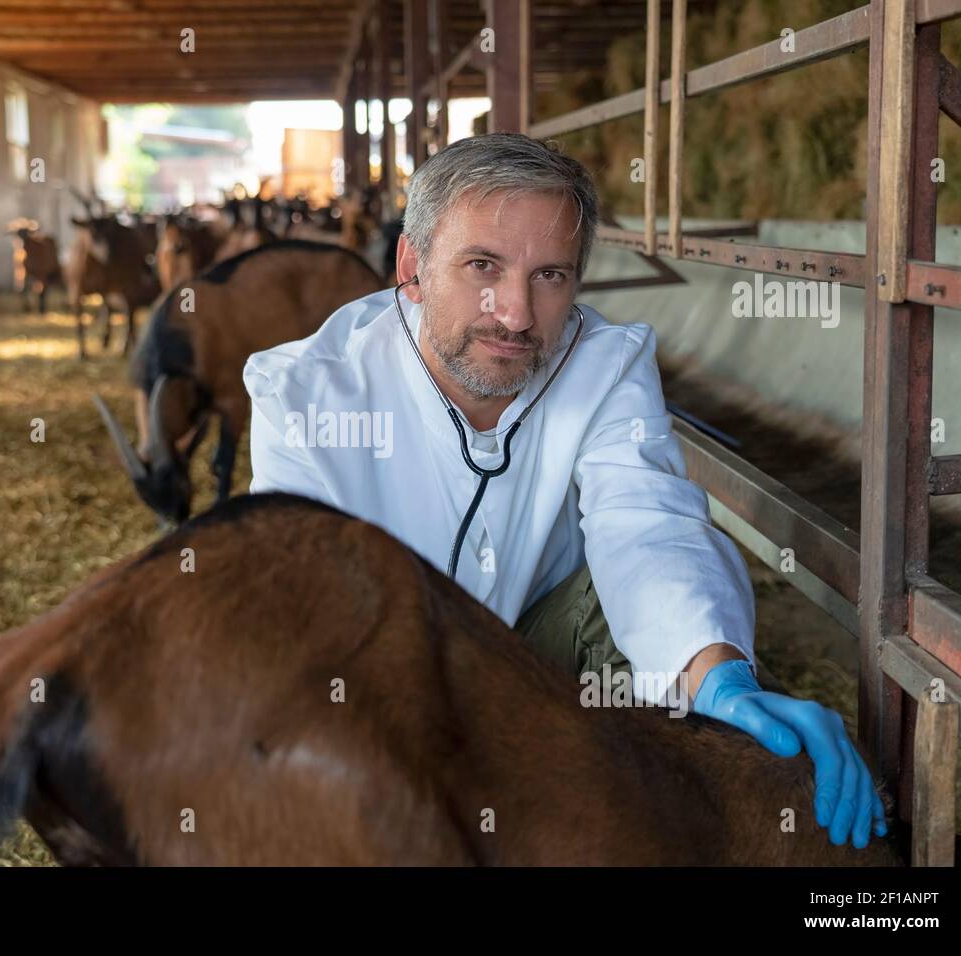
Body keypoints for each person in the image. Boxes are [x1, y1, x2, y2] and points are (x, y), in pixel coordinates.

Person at [243, 132, 886, 850]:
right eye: (483, 265)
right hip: (382, 682)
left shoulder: (604, 364)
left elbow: (645, 522)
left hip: (542, 666)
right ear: (413, 267)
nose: (516, 313)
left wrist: (716, 678)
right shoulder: (303, 391)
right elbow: (303, 609)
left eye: (549, 275)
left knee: (635, 622)